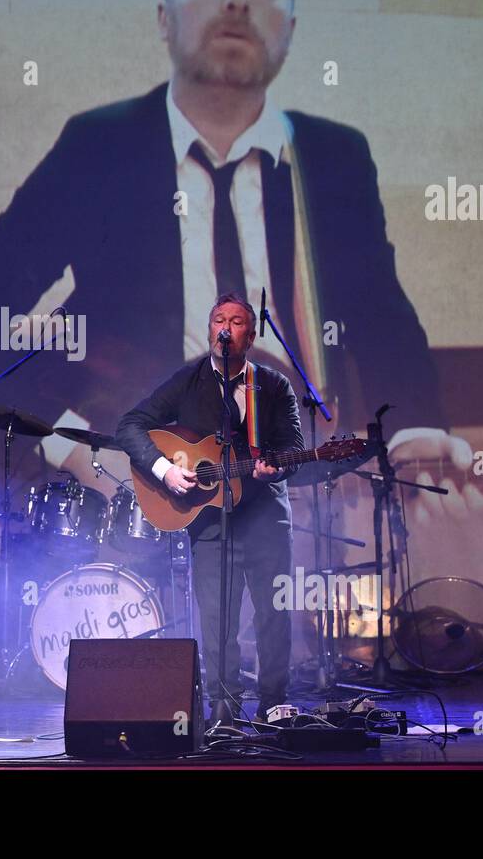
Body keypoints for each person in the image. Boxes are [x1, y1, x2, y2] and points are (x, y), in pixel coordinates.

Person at [0, 0, 483, 522]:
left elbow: (382, 317)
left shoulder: (335, 157)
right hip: (137, 481)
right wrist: (66, 443)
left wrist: (414, 427)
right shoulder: (97, 147)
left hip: (292, 481)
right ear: (164, 19)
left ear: (290, 30)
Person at [116, 294, 301, 722]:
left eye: (236, 321)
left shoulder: (273, 386)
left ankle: (273, 702)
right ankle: (225, 706)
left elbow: (293, 446)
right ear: (210, 331)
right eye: (219, 319)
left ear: (250, 336)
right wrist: (164, 470)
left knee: (273, 612)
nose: (226, 327)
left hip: (264, 516)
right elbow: (130, 424)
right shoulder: (189, 380)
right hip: (209, 520)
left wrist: (275, 470)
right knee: (217, 619)